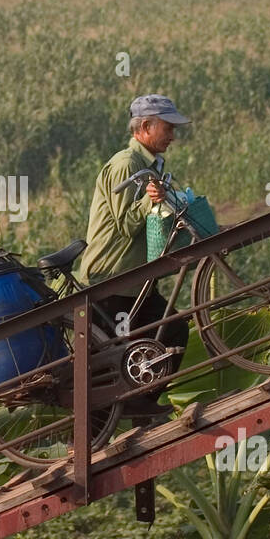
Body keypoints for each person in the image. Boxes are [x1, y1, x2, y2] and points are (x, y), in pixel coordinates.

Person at [77, 94, 192, 352]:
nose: (172, 135)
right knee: (112, 362)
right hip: (112, 280)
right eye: (168, 127)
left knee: (172, 333)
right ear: (145, 127)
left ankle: (147, 394)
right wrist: (149, 201)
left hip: (137, 281)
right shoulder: (126, 164)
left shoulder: (151, 164)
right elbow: (127, 226)